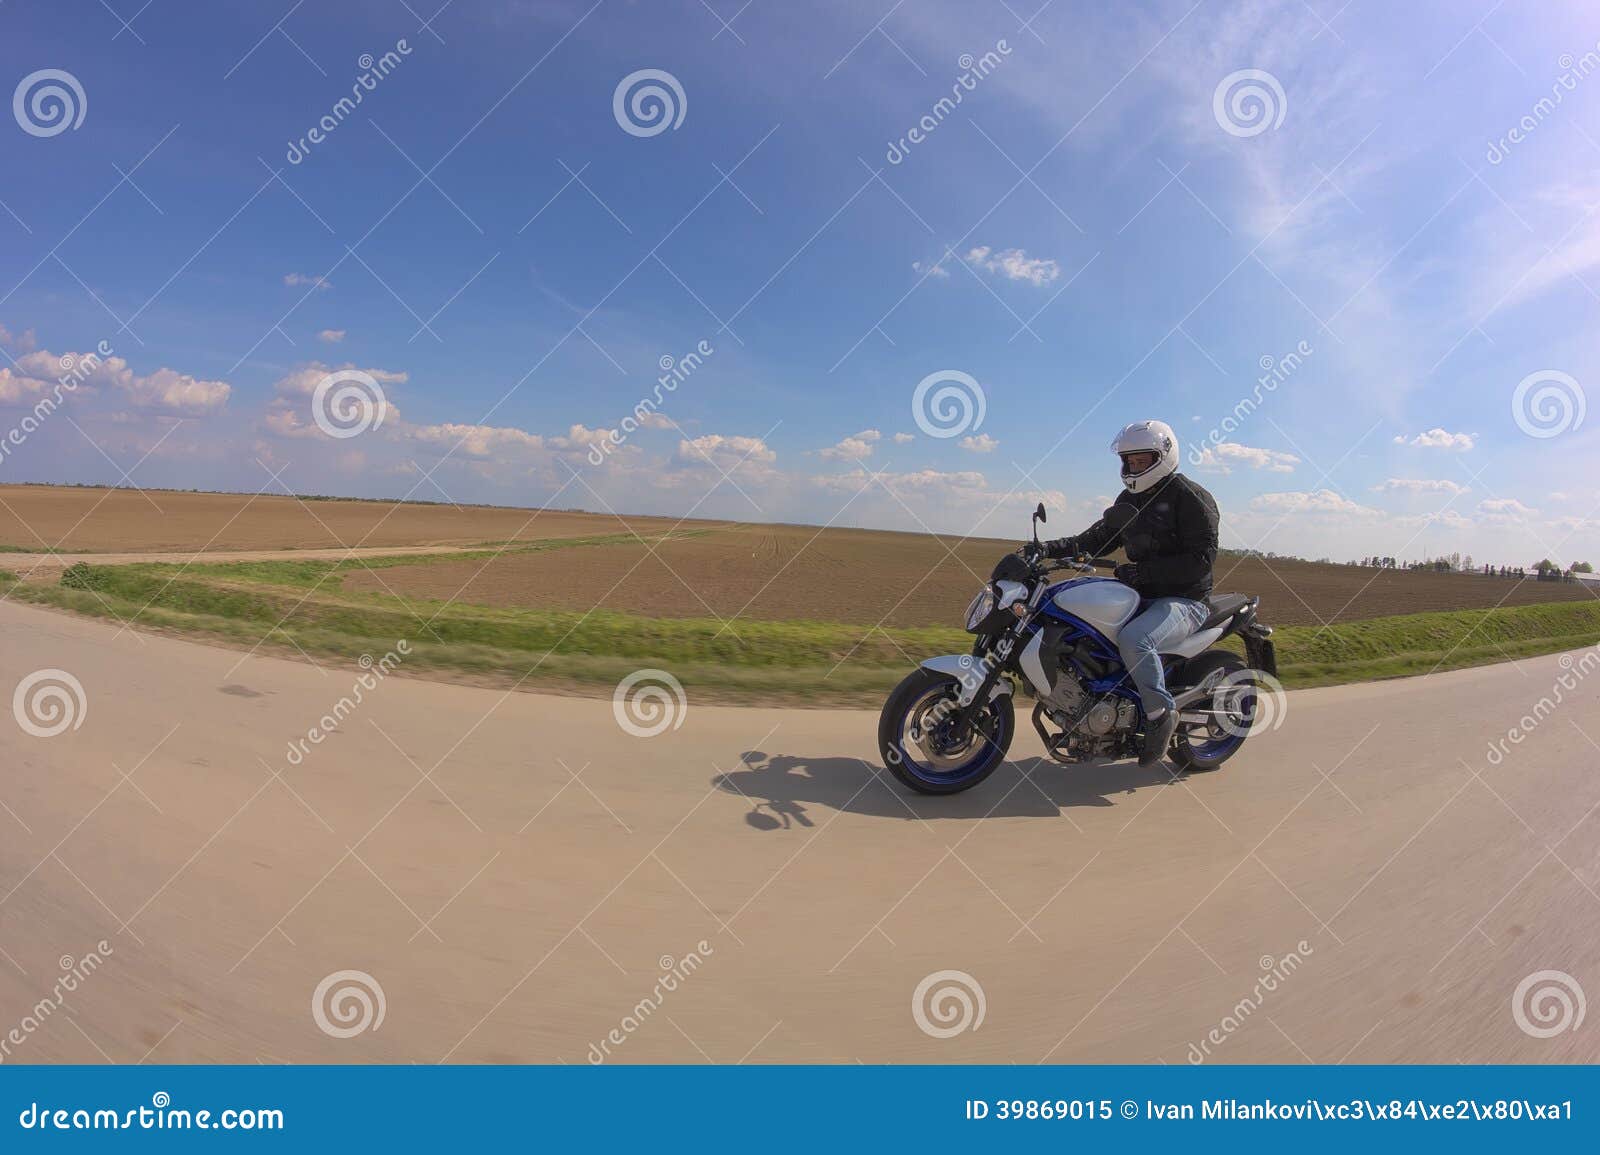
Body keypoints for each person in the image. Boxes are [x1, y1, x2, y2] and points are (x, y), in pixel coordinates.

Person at [1043, 420, 1219, 767]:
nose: (1135, 467)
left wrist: (1144, 572)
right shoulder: (1130, 499)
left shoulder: (1191, 498)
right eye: (1130, 461)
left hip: (1184, 601)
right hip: (1140, 594)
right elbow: (1095, 539)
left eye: (1142, 460)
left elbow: (1201, 561)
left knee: (1136, 640)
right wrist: (1044, 549)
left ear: (1164, 456)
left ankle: (1160, 715)